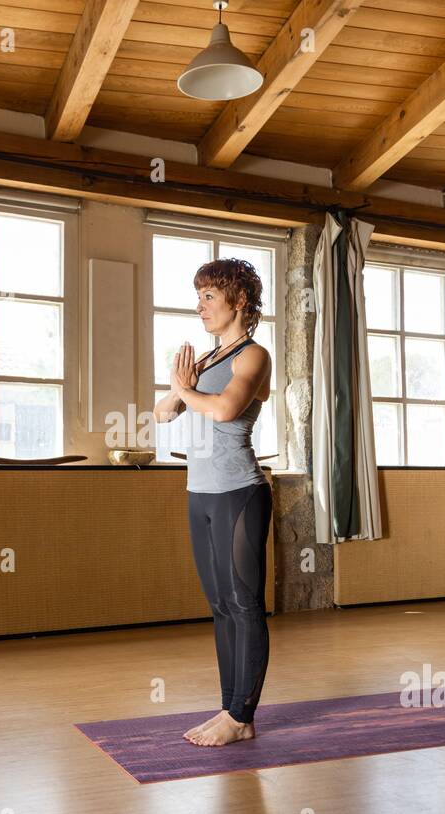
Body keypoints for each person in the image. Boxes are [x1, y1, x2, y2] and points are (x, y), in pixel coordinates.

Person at [153, 258, 273, 747]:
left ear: (238, 301)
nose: (199, 306)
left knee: (245, 604)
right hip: (199, 494)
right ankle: (230, 709)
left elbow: (225, 410)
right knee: (221, 605)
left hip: (240, 493)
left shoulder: (253, 356)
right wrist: (179, 386)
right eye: (198, 295)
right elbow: (163, 414)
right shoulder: (203, 361)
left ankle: (242, 715)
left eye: (208, 296)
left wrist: (186, 390)